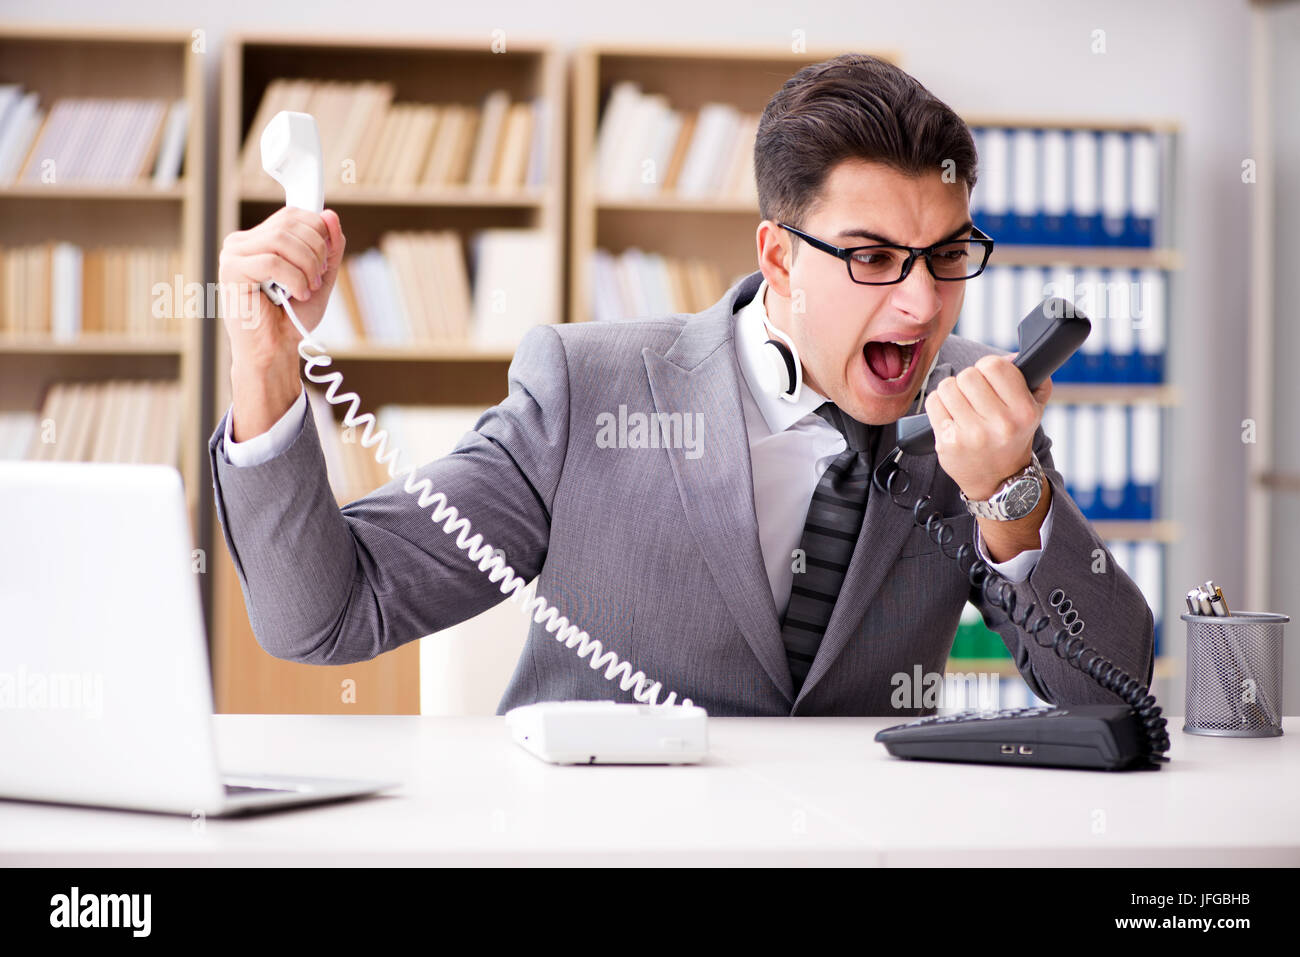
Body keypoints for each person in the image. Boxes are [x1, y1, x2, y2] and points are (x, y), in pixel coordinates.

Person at [211, 53, 1154, 716]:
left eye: (946, 254)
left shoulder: (979, 420)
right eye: (872, 257)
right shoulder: (589, 388)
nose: (921, 301)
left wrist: (1011, 495)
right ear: (777, 258)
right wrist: (264, 365)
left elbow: (1114, 693)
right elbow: (324, 617)